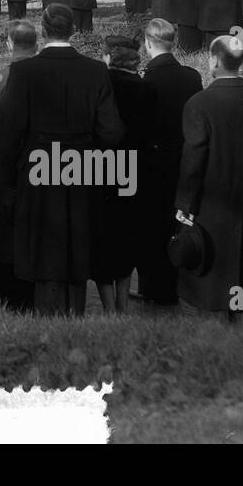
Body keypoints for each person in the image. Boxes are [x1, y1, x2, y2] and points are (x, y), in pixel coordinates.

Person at [0, 3, 124, 316]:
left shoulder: (24, 71)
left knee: (45, 246)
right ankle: (73, 316)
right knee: (78, 243)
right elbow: (112, 132)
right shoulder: (95, 71)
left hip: (38, 167)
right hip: (81, 168)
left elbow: (8, 132)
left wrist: (7, 180)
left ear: (43, 30)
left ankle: (49, 320)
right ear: (74, 31)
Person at [175, 32, 243, 319]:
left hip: (211, 207)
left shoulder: (199, 103)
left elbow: (193, 162)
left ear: (213, 61)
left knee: (212, 280)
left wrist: (184, 205)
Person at [137, 18, 203, 306]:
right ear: (174, 43)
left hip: (153, 162)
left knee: (152, 226)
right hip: (182, 157)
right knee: (176, 223)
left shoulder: (148, 80)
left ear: (148, 43)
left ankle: (154, 289)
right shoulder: (190, 77)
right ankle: (176, 283)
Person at [0, 19, 39, 311]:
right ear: (36, 44)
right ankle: (33, 292)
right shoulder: (48, 78)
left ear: (8, 44)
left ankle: (5, 293)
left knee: (1, 231)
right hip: (40, 163)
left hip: (0, 163)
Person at [95, 34, 150, 313]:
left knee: (103, 238)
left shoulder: (101, 85)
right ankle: (123, 303)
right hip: (135, 170)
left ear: (108, 57)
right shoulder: (145, 88)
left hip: (101, 169)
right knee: (127, 237)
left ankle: (107, 308)